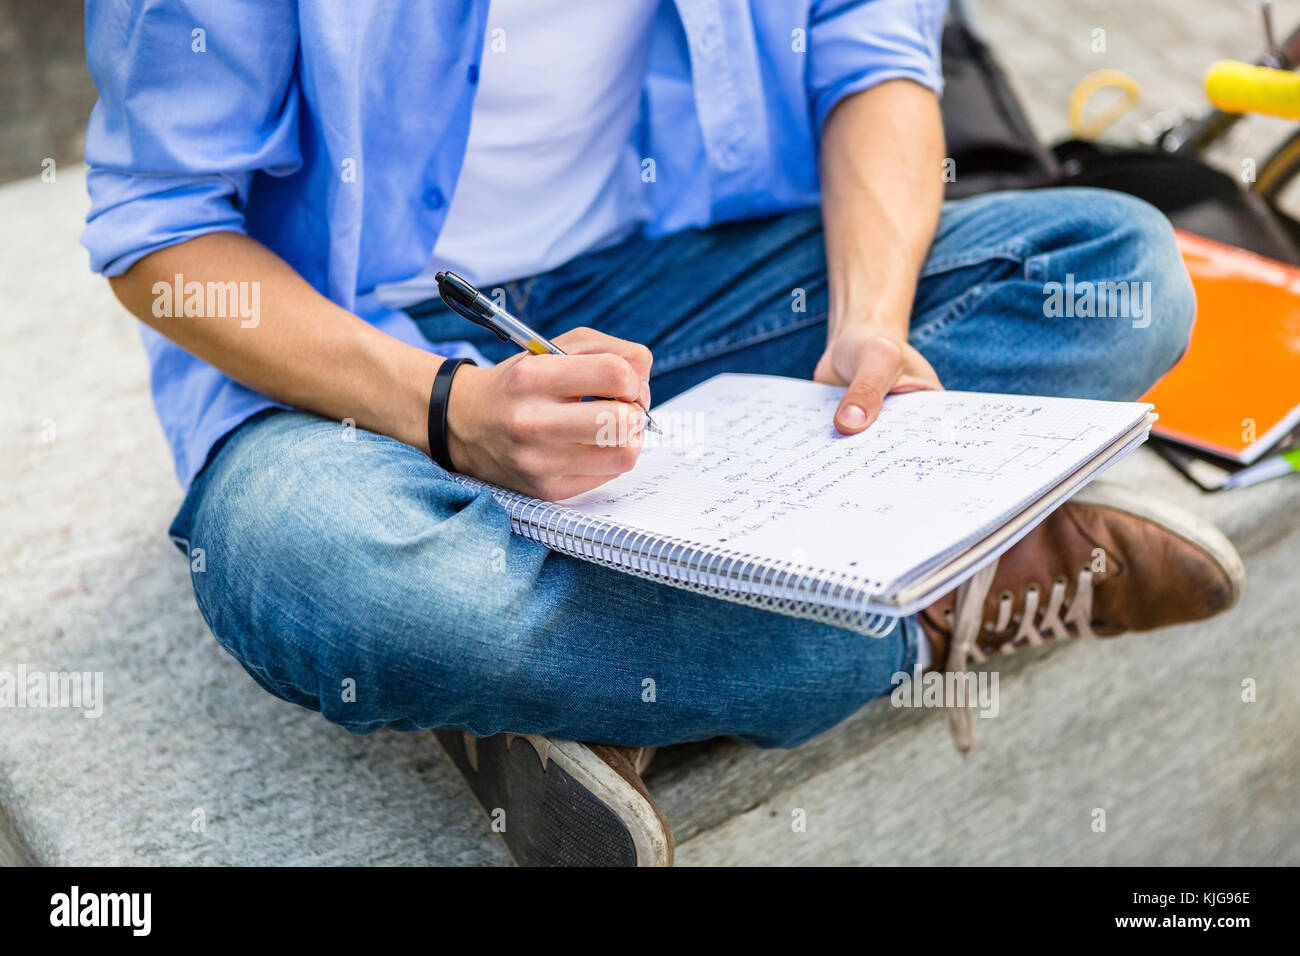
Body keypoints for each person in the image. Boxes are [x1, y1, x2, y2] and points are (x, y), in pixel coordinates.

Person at [82, 0, 1243, 866]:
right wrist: (447, 409)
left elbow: (870, 45)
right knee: (334, 576)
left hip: (679, 291)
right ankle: (915, 611)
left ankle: (575, 670)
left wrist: (870, 322)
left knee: (1120, 271)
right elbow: (162, 231)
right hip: (355, 354)